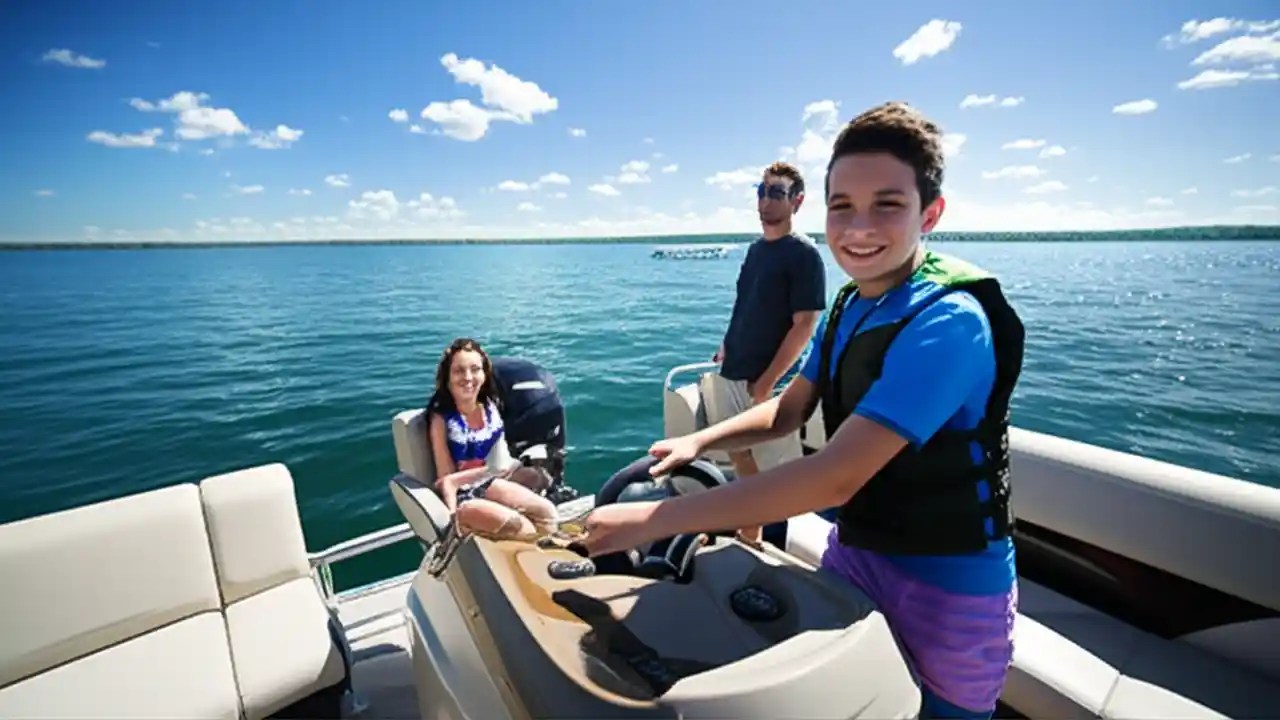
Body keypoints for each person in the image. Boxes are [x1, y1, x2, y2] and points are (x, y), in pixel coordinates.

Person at [578, 101, 1025, 719]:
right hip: (856, 553)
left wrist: (654, 518)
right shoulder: (850, 305)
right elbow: (787, 412)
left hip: (946, 588)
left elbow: (835, 476)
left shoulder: (949, 323)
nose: (859, 227)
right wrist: (698, 443)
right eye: (842, 206)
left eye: (886, 205)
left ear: (931, 213)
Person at [710, 160, 827, 544]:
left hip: (767, 381)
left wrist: (767, 384)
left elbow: (805, 325)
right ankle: (750, 533)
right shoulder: (756, 251)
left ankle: (772, 547)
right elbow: (745, 302)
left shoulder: (803, 254)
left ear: (797, 201)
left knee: (777, 474)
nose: (765, 201)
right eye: (761, 192)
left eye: (776, 193)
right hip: (735, 369)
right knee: (740, 455)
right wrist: (727, 343)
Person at [426, 337, 558, 541]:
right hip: (465, 494)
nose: (468, 377)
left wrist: (523, 471)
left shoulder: (489, 406)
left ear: (485, 373)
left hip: (490, 482)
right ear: (447, 377)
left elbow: (500, 458)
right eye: (459, 370)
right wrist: (451, 523)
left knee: (548, 513)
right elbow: (447, 480)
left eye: (475, 369)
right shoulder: (441, 418)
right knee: (522, 528)